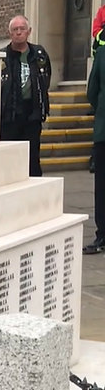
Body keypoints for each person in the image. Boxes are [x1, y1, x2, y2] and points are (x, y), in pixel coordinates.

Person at [0, 15, 51, 178]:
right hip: (9, 115)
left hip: (32, 114)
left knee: (32, 158)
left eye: (22, 29)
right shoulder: (1, 57)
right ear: (10, 34)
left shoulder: (39, 53)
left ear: (29, 32)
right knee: (9, 157)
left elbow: (46, 79)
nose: (19, 32)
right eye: (15, 29)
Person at [85, 44, 105, 254]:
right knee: (101, 185)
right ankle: (102, 233)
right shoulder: (102, 54)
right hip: (103, 132)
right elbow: (92, 90)